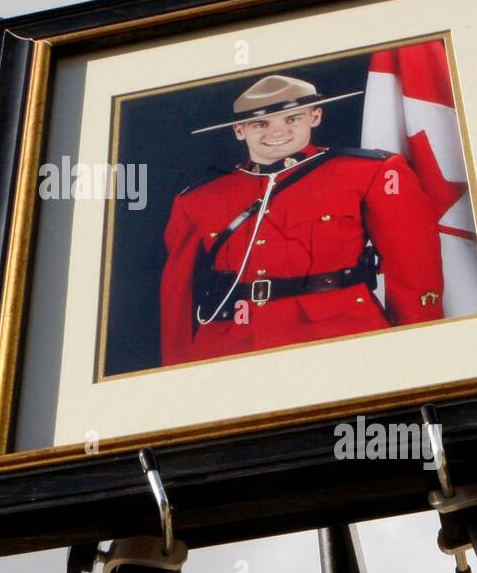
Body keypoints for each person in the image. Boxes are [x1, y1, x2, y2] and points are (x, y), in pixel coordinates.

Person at [159, 74, 445, 367]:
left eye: (292, 119)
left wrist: (415, 351)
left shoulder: (369, 172)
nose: (278, 131)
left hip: (340, 339)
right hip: (233, 348)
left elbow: (415, 268)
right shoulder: (197, 200)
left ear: (315, 116)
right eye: (261, 123)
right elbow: (177, 298)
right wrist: (178, 375)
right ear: (239, 130)